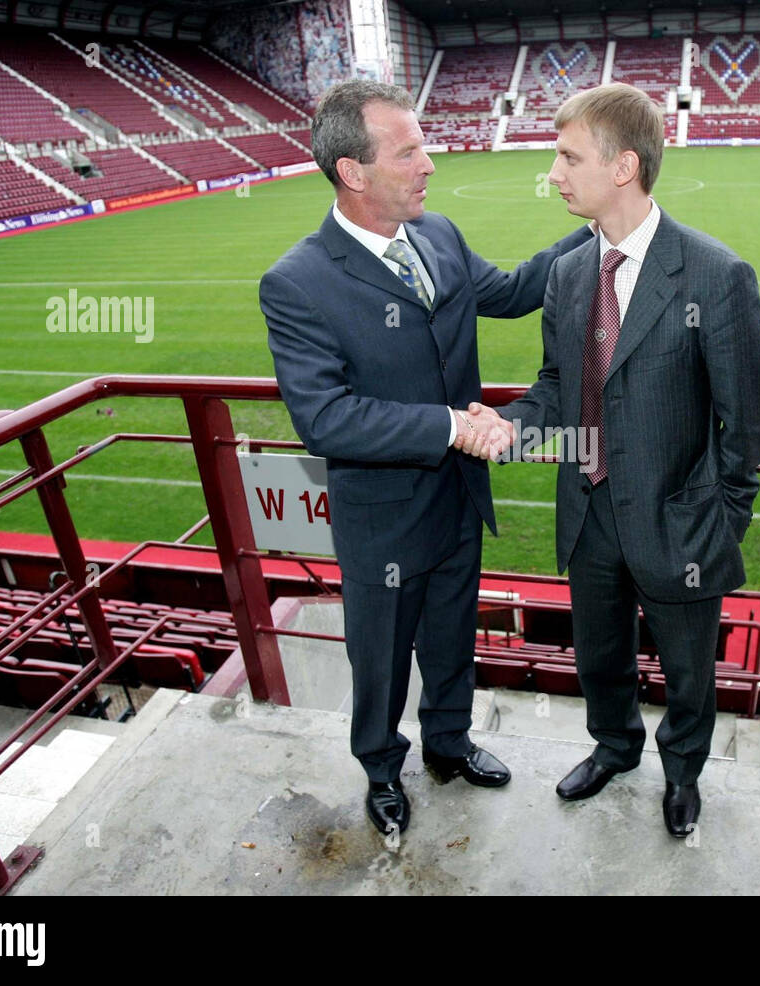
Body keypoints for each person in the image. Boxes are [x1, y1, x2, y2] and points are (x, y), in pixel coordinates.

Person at [259, 80, 591, 838]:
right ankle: (381, 768)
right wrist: (448, 427)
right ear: (353, 171)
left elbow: (514, 290)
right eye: (408, 151)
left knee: (450, 638)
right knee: (378, 659)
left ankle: (449, 742)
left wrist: (603, 224)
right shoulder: (297, 281)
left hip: (457, 499)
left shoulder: (437, 234)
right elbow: (325, 418)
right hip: (382, 518)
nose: (429, 164)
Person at [484, 83, 760, 837]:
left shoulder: (715, 274)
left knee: (688, 670)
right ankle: (615, 747)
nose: (553, 173)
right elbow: (558, 387)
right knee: (599, 655)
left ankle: (683, 775)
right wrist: (508, 427)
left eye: (568, 157)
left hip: (680, 522)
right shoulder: (569, 272)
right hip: (589, 512)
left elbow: (746, 421)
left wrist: (722, 521)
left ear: (623, 167)